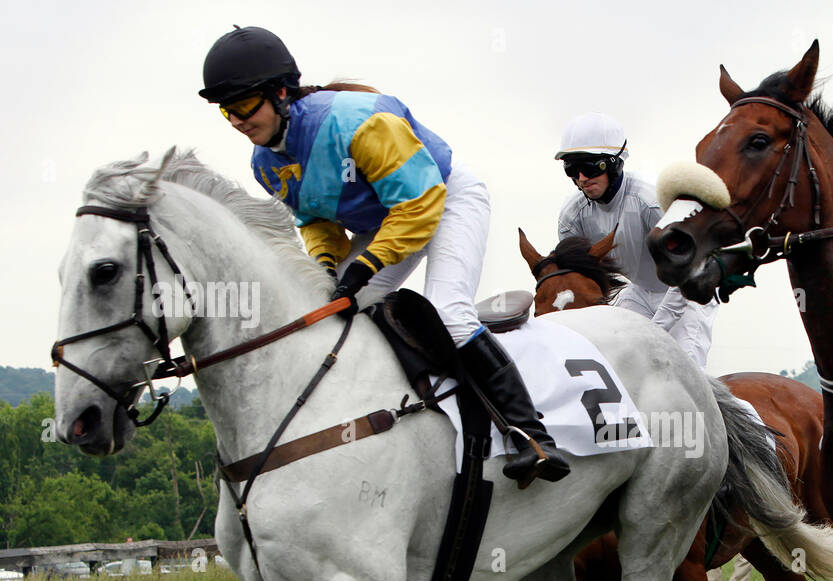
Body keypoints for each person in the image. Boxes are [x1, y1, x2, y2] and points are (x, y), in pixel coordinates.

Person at [198, 26, 568, 484]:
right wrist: (327, 267)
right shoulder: (264, 163)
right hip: (386, 221)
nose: (236, 120)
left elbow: (419, 204)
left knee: (449, 311)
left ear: (279, 92)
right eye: (225, 110)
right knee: (329, 308)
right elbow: (315, 221)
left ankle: (529, 435)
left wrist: (369, 266)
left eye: (242, 105)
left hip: (445, 198)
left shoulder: (358, 123)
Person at [555, 112, 717, 368]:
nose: (582, 178)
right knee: (619, 367)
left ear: (614, 163)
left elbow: (687, 270)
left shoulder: (649, 201)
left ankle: (742, 410)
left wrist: (656, 329)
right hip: (639, 291)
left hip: (687, 291)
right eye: (572, 170)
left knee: (684, 376)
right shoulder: (572, 217)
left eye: (589, 167)